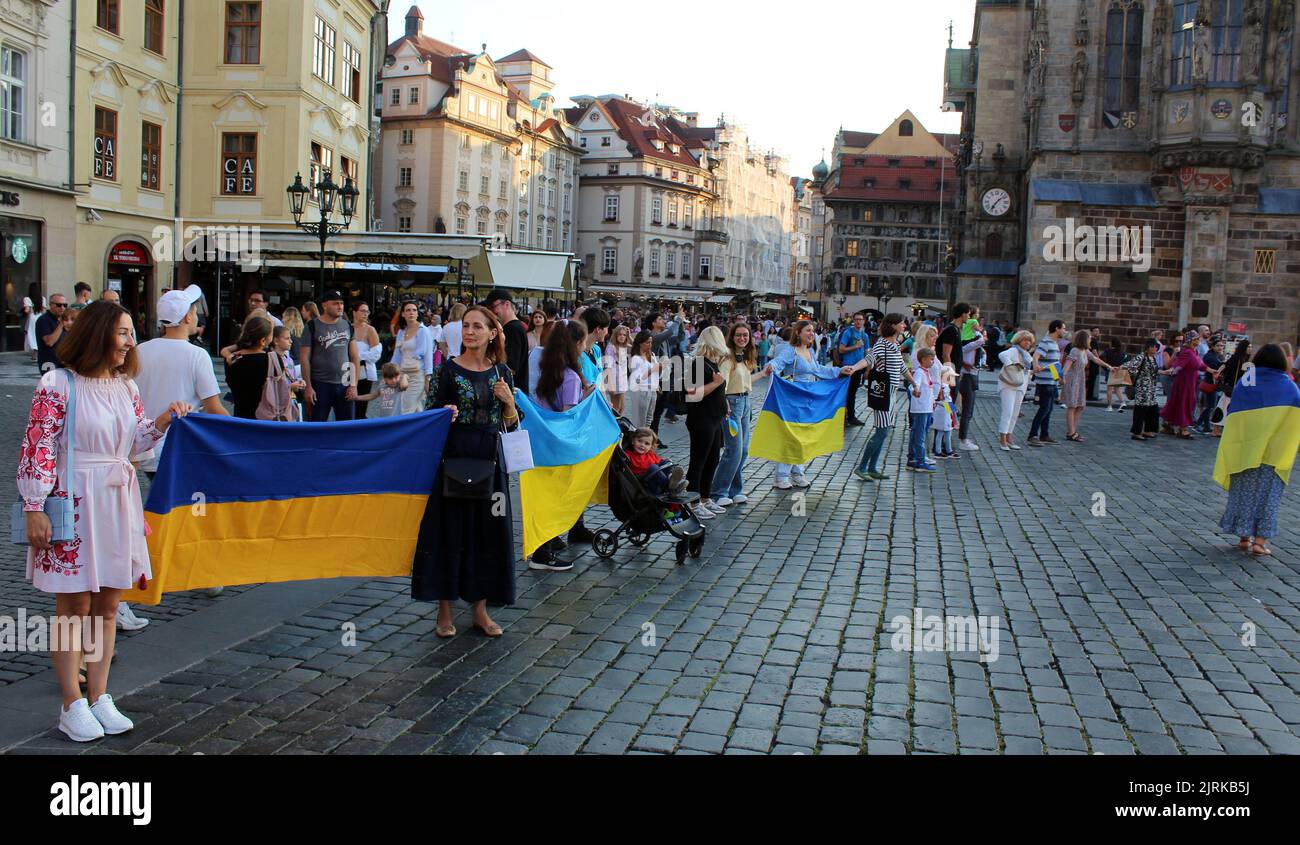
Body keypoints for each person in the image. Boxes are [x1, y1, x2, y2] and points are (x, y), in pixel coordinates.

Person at [18, 301, 191, 741]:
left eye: (132, 332)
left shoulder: (125, 387)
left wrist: (164, 421)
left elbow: (134, 442)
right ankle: (70, 704)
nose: (130, 341)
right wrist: (34, 505)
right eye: (123, 332)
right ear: (98, 335)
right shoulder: (57, 383)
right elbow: (38, 446)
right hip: (73, 499)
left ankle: (99, 696)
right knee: (73, 607)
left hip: (116, 499)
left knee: (109, 606)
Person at [411, 305, 516, 636]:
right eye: (466, 326)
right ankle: (444, 610)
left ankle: (481, 610)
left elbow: (512, 426)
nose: (469, 332)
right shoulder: (447, 372)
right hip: (453, 458)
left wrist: (509, 403)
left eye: (477, 327)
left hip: (490, 458)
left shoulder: (503, 374)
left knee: (487, 535)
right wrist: (445, 414)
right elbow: (428, 416)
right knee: (450, 533)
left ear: (492, 333)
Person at [1215, 344, 1300, 558]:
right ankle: (1260, 542)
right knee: (1268, 497)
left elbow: (1234, 412)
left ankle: (1244, 538)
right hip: (1272, 453)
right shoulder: (1288, 386)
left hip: (1245, 449)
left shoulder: (1246, 382)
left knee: (1243, 495)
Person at [529, 319, 595, 570]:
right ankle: (542, 554)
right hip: (560, 444)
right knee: (556, 499)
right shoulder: (569, 376)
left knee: (546, 497)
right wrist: (587, 399)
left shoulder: (547, 369)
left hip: (543, 440)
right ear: (577, 343)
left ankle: (544, 546)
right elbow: (568, 413)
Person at [768, 320, 857, 489]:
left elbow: (818, 370)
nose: (811, 334)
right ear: (798, 333)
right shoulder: (791, 351)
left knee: (803, 436)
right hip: (793, 397)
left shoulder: (808, 351)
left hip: (807, 398)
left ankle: (797, 473)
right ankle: (781, 476)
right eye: (808, 330)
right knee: (791, 436)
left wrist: (839, 370)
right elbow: (777, 363)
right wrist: (770, 367)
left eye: (812, 331)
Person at [684, 326, 731, 518]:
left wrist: (724, 403)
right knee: (699, 462)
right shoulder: (697, 364)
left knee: (712, 460)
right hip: (701, 419)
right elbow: (692, 394)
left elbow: (718, 390)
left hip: (714, 417)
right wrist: (715, 384)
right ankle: (693, 502)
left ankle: (705, 498)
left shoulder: (712, 363)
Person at [712, 321, 759, 506]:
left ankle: (735, 489)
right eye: (738, 335)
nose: (742, 338)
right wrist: (724, 404)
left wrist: (764, 373)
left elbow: (747, 382)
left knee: (744, 449)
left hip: (745, 402)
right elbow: (721, 383)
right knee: (734, 450)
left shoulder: (745, 357)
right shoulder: (728, 357)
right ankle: (718, 492)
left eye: (745, 335)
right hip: (732, 404)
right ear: (732, 337)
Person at [300, 290, 361, 422]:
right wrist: (308, 386)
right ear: (325, 305)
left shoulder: (347, 326)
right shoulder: (312, 326)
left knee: (346, 426)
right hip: (320, 384)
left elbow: (355, 356)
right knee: (316, 425)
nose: (340, 307)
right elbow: (304, 358)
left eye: (341, 303)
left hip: (345, 383)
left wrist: (354, 384)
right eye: (335, 303)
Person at [1161, 330, 1219, 438]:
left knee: (1183, 403)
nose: (1198, 341)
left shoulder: (1194, 352)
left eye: (1198, 339)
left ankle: (1169, 423)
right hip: (1184, 383)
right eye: (1196, 339)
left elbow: (1201, 366)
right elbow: (1178, 365)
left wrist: (1213, 371)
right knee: (1185, 404)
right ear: (1191, 341)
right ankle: (1183, 429)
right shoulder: (1187, 352)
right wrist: (1170, 371)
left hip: (1191, 382)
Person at [1061, 328, 1114, 442]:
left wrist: (1109, 366)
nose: (1091, 339)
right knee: (1072, 406)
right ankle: (1071, 433)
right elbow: (1067, 365)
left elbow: (1096, 359)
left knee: (1080, 406)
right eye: (1089, 338)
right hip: (1072, 379)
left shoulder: (1085, 350)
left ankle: (1073, 430)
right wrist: (1061, 378)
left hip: (1080, 380)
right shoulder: (1075, 350)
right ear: (1084, 339)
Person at [225, 316, 274, 419]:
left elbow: (230, 382)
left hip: (240, 415)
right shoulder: (271, 360)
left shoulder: (233, 359)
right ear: (263, 341)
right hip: (265, 417)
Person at [1027, 319, 1067, 446]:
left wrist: (1060, 377)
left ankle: (1044, 435)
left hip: (1051, 381)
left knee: (1048, 409)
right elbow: (1036, 356)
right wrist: (1036, 365)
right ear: (1057, 329)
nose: (1065, 331)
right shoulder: (1046, 342)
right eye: (1063, 328)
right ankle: (1032, 435)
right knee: (1044, 409)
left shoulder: (1055, 343)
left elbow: (1055, 364)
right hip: (1044, 382)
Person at [482, 288, 529, 391]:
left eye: (493, 307)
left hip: (513, 392)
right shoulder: (514, 327)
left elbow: (511, 367)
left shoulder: (512, 329)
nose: (491, 312)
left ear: (507, 304)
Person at [391, 301, 433, 415]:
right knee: (416, 410)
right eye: (408, 310)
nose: (411, 313)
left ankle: (403, 432)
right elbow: (397, 355)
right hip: (403, 375)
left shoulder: (423, 331)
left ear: (418, 313)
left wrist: (427, 379)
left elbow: (428, 356)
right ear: (403, 314)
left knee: (405, 409)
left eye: (414, 310)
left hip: (417, 375)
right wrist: (390, 373)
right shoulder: (401, 331)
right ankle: (422, 432)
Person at [997, 330, 1035, 451]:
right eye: (1025, 340)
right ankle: (1002, 439)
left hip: (1020, 386)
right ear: (1019, 340)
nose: (1027, 343)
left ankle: (1009, 437)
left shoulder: (1027, 355)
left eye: (1029, 340)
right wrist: (1012, 364)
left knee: (1014, 414)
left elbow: (1025, 370)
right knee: (1007, 412)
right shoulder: (1014, 350)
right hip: (1009, 384)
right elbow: (1002, 355)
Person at [1122, 339, 1165, 441]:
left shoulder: (1152, 358)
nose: (1156, 349)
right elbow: (1130, 366)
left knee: (1153, 410)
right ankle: (1136, 433)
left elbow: (1154, 371)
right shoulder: (1141, 357)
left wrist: (1165, 372)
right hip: (1142, 389)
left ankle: (1148, 431)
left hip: (1151, 389)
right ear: (1149, 347)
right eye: (1155, 347)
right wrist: (1134, 376)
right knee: (1140, 411)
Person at [624, 427, 688, 496]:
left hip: (657, 479)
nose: (642, 445)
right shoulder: (628, 454)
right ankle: (670, 487)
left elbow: (660, 462)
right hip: (645, 481)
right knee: (653, 467)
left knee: (666, 463)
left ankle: (671, 479)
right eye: (639, 441)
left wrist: (667, 461)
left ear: (651, 446)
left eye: (647, 444)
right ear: (633, 441)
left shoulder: (650, 455)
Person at [907, 347, 939, 473]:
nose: (933, 362)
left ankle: (912, 457)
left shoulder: (926, 372)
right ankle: (920, 460)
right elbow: (916, 384)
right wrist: (916, 390)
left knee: (918, 433)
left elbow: (929, 390)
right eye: (931, 359)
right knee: (920, 435)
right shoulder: (920, 372)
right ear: (924, 359)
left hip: (926, 407)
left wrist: (933, 402)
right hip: (921, 409)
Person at [1215, 340, 1253, 437]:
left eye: (1251, 347)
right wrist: (1217, 373)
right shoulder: (1238, 358)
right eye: (1248, 347)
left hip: (1236, 387)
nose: (1250, 349)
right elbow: (1225, 365)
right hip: (1232, 386)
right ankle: (1215, 430)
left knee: (1226, 407)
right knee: (1223, 407)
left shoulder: (1245, 359)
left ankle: (1223, 429)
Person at [351, 301, 382, 419]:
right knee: (347, 403)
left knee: (360, 407)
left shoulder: (370, 330)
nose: (365, 314)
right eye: (362, 311)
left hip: (365, 371)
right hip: (347, 370)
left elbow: (376, 354)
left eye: (367, 311)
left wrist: (357, 356)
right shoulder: (348, 328)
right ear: (354, 312)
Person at [838, 312, 869, 427]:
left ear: (864, 321)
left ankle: (851, 417)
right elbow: (841, 349)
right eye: (856, 319)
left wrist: (867, 370)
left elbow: (867, 353)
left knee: (852, 393)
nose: (858, 321)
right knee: (845, 393)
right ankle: (843, 417)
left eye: (860, 319)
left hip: (859, 368)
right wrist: (855, 346)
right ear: (853, 321)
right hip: (848, 368)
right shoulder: (848, 333)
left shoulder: (864, 335)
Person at [625, 330, 659, 430]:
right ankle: (638, 441)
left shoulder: (651, 355)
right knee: (640, 421)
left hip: (652, 389)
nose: (650, 345)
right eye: (647, 342)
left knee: (649, 419)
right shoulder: (636, 358)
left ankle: (645, 440)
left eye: (651, 342)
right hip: (641, 391)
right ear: (640, 343)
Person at [1194, 337, 1227, 433]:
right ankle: (1199, 423)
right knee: (1210, 406)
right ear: (1212, 346)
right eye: (1218, 345)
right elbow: (1216, 368)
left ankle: (1206, 426)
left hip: (1211, 383)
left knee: (1210, 405)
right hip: (1209, 383)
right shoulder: (1210, 356)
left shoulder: (1215, 355)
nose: (1220, 347)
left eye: (1221, 345)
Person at [603, 323, 633, 416]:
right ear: (615, 335)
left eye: (624, 335)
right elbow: (607, 367)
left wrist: (630, 336)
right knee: (616, 409)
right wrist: (611, 384)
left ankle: (617, 427)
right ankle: (614, 428)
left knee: (622, 408)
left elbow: (637, 347)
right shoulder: (611, 347)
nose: (622, 337)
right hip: (614, 380)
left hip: (622, 379)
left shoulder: (624, 346)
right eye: (619, 334)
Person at [36, 294, 70, 374]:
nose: (62, 308)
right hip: (49, 362)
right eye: (59, 305)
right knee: (52, 386)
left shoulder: (62, 320)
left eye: (65, 305)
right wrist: (61, 324)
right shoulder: (44, 320)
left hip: (62, 361)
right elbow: (49, 342)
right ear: (51, 305)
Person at [932, 364, 958, 460]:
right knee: (942, 432)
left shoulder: (942, 386)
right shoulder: (944, 387)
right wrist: (953, 415)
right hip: (943, 410)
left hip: (942, 410)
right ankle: (940, 451)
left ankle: (947, 450)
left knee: (945, 432)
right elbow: (947, 401)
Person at [1102, 341, 1130, 411]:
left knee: (1109, 390)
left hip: (1111, 370)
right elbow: (1128, 361)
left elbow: (1102, 357)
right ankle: (1123, 402)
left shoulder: (1108, 351)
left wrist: (1107, 367)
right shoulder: (1122, 352)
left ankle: (1109, 406)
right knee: (1117, 388)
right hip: (1120, 370)